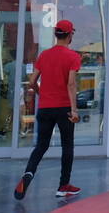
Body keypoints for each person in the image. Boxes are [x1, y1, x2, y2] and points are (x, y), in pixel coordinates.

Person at [14, 20, 81, 199]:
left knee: (41, 146)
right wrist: (74, 110)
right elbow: (71, 83)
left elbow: (31, 81)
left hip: (45, 107)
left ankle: (28, 173)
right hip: (64, 108)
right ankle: (63, 185)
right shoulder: (73, 56)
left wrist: (40, 93)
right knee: (67, 146)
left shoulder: (44, 55)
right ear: (69, 34)